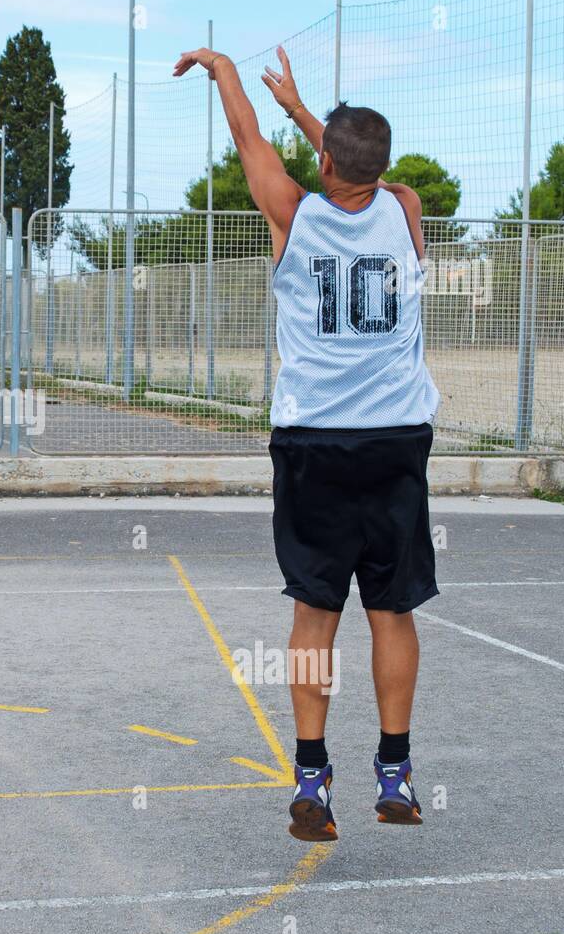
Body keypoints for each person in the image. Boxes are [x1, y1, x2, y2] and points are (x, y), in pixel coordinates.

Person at [173, 44, 439, 842]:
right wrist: (310, 118)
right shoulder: (406, 208)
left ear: (320, 159)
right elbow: (362, 164)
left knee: (313, 614)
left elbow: (247, 141)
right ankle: (393, 769)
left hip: (314, 443)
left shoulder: (294, 213)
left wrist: (226, 73)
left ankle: (312, 780)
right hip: (395, 439)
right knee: (391, 613)